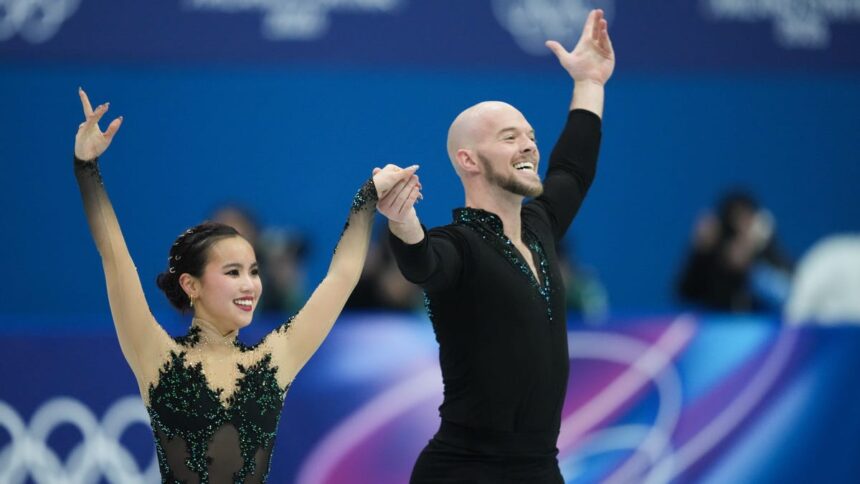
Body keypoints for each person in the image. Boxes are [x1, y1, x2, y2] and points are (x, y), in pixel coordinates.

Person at [72, 88, 421, 482]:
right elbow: (114, 256)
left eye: (254, 272)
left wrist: (368, 197)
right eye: (233, 272)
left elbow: (341, 277)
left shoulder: (273, 361)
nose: (250, 285)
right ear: (191, 284)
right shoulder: (155, 356)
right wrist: (86, 167)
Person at [378, 9, 614, 483]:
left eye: (530, 136)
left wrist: (589, 83)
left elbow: (573, 169)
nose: (529, 146)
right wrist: (402, 220)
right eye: (510, 138)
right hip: (465, 471)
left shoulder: (538, 225)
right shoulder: (459, 246)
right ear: (469, 160)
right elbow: (424, 264)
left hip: (539, 469)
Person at [677, 190, 792, 313]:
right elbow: (685, 293)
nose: (741, 227)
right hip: (718, 320)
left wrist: (752, 265)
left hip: (761, 320)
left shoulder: (765, 252)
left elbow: (787, 293)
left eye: (747, 219)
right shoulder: (710, 257)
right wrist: (700, 253)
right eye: (736, 219)